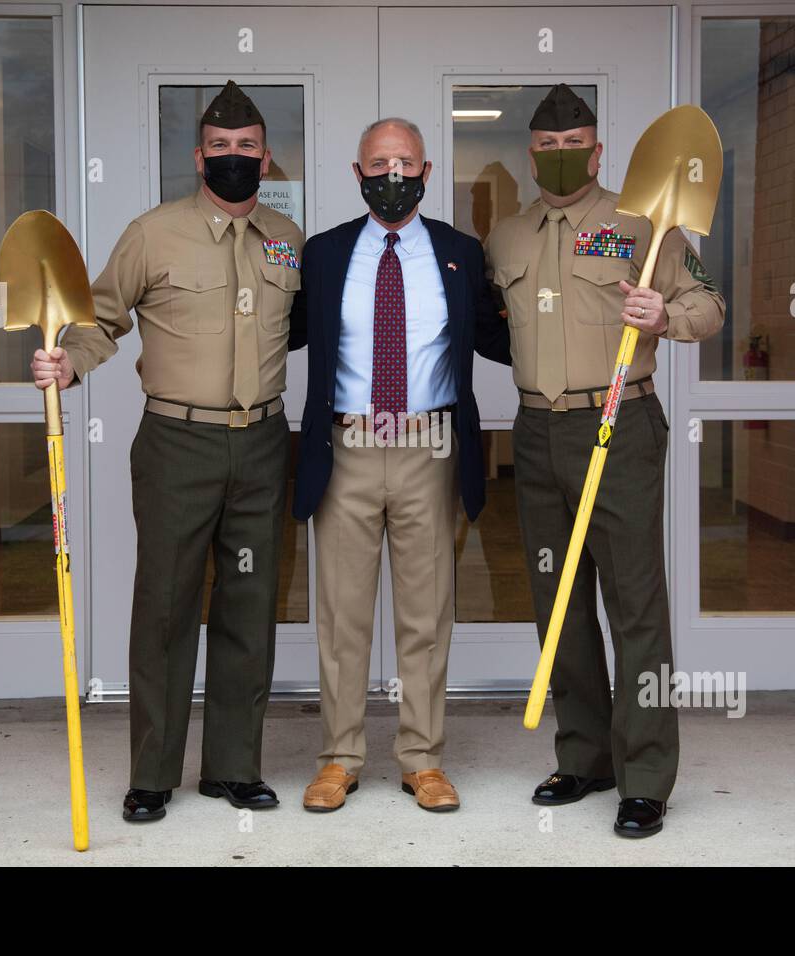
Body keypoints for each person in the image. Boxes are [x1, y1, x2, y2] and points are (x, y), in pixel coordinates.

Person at [30, 81, 304, 822]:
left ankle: (234, 767)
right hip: (178, 443)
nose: (235, 158)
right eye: (221, 148)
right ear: (199, 157)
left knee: (251, 606)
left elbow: (302, 324)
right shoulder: (152, 233)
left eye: (248, 147)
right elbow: (100, 318)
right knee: (166, 604)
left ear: (266, 157)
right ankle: (152, 772)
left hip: (264, 444)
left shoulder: (287, 238)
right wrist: (69, 362)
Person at [484, 84, 725, 837]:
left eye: (575, 147)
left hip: (618, 424)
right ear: (533, 155)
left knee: (635, 604)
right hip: (536, 430)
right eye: (547, 149)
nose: (561, 159)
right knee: (559, 602)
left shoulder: (644, 225)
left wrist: (667, 314)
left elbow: (710, 307)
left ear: (598, 151)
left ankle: (646, 774)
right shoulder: (508, 237)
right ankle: (584, 756)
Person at [291, 118, 511, 812]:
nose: (393, 174)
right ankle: (338, 759)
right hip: (347, 446)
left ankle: (422, 758)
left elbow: (505, 335)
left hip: (429, 448)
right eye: (379, 163)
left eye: (405, 162)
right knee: (341, 615)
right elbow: (275, 329)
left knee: (426, 614)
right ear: (357, 174)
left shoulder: (459, 252)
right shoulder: (323, 255)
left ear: (426, 171)